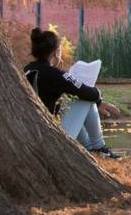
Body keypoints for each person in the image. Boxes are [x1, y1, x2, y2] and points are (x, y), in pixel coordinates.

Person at [23, 28, 120, 159]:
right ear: (56, 51)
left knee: (75, 98)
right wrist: (99, 100)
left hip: (31, 131)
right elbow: (85, 92)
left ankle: (91, 148)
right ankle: (99, 148)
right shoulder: (54, 74)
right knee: (84, 98)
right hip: (48, 136)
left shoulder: (26, 70)